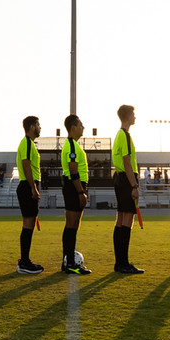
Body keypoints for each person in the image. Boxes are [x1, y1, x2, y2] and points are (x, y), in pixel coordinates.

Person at [109, 104, 145, 274]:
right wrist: (134, 185)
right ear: (128, 116)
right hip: (126, 179)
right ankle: (122, 263)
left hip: (121, 179)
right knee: (126, 220)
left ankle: (121, 262)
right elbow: (127, 162)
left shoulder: (119, 135)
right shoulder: (124, 135)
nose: (135, 117)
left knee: (121, 219)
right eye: (134, 114)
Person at [59, 114, 94, 275]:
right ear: (73, 127)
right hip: (74, 187)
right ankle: (70, 263)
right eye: (80, 124)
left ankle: (67, 261)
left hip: (75, 187)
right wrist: (80, 192)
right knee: (71, 226)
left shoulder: (73, 145)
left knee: (72, 226)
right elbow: (73, 170)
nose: (83, 127)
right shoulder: (71, 145)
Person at [15, 116, 47, 274]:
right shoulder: (27, 142)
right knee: (28, 225)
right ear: (32, 126)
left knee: (28, 225)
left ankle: (24, 261)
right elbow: (26, 164)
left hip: (28, 185)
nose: (40, 127)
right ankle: (24, 263)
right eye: (38, 125)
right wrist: (33, 188)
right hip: (27, 186)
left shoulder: (28, 143)